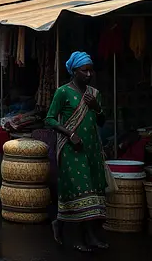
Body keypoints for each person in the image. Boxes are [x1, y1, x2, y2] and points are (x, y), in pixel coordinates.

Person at [45, 51, 108, 253]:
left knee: (93, 192)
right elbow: (49, 119)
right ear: (74, 71)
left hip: (92, 149)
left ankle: (63, 224)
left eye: (91, 70)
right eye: (84, 71)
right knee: (82, 190)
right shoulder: (63, 92)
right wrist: (70, 133)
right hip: (71, 149)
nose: (89, 75)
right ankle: (84, 237)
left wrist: (96, 107)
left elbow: (101, 121)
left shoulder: (94, 94)